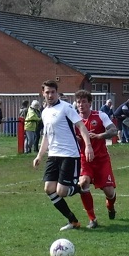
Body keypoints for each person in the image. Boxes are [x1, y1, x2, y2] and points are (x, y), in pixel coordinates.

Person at [33, 79, 94, 231]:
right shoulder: (45, 112)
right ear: (43, 93)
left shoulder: (66, 108)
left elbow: (80, 126)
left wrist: (88, 146)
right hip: (53, 155)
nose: (50, 95)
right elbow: (46, 136)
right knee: (49, 188)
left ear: (57, 93)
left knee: (62, 191)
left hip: (69, 155)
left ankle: (80, 186)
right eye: (47, 92)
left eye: (53, 92)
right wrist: (39, 156)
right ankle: (72, 221)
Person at [74, 89, 120, 227]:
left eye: (84, 102)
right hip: (84, 159)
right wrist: (77, 138)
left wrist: (100, 136)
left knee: (109, 192)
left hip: (101, 159)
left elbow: (114, 130)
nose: (81, 105)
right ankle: (92, 219)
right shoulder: (74, 120)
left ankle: (110, 207)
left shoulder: (100, 115)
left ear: (90, 103)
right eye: (78, 102)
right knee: (83, 183)